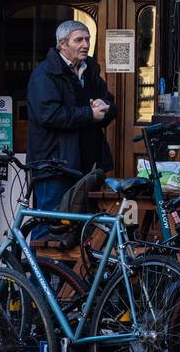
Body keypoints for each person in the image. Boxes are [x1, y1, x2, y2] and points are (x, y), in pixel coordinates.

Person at [26, 20, 116, 211]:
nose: (85, 45)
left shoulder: (90, 70)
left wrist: (105, 106)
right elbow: (48, 115)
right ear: (63, 44)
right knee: (51, 226)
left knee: (84, 228)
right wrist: (90, 114)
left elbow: (110, 104)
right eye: (79, 40)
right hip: (55, 167)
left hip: (87, 165)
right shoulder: (44, 74)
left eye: (87, 39)